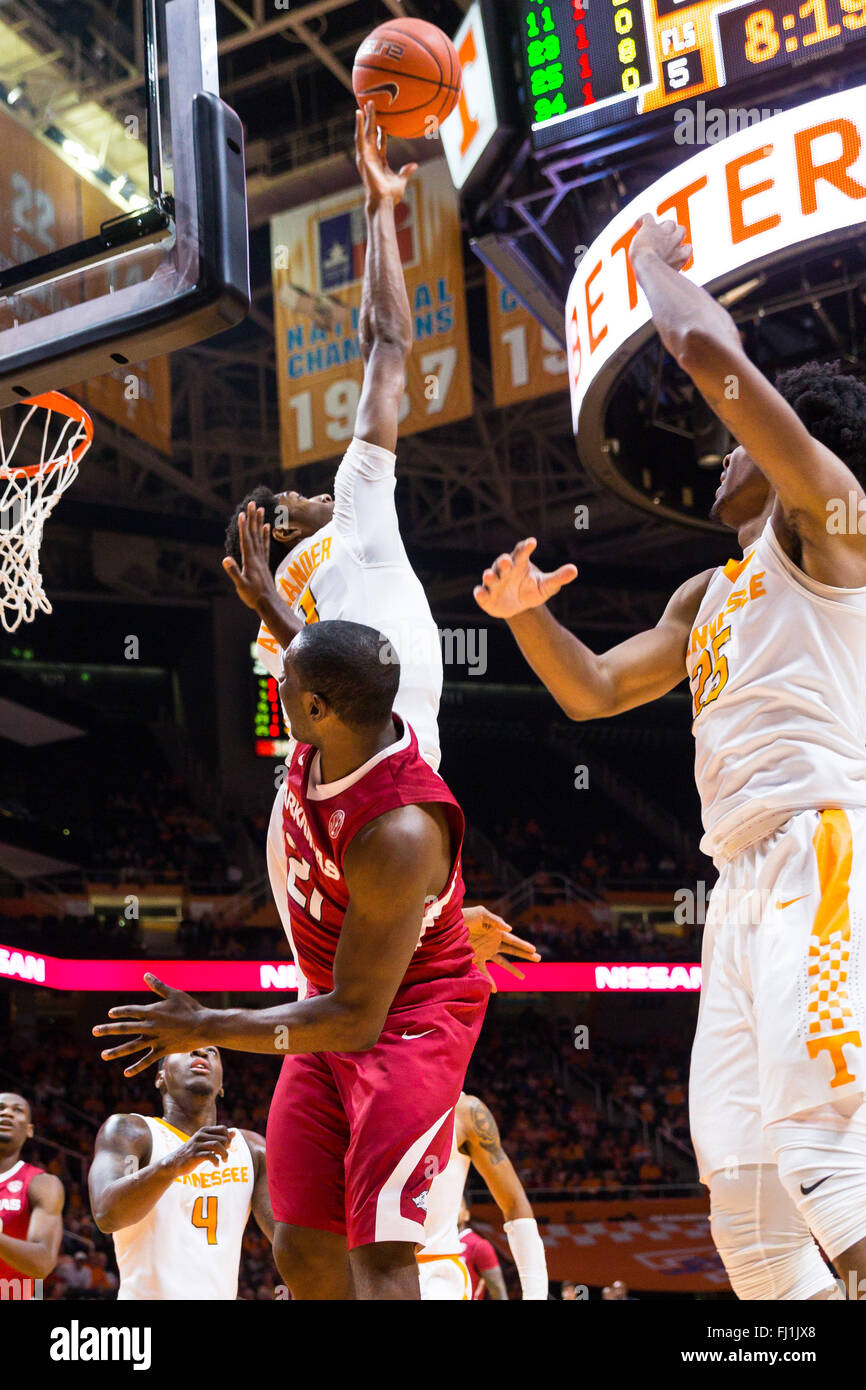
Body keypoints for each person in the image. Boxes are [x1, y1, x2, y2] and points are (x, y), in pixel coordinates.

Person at [474, 212, 866, 1301]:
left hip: (818, 852)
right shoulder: (702, 592)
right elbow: (592, 689)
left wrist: (649, 268)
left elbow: (707, 356)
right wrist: (520, 617)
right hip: (736, 886)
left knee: (833, 1166)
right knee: (743, 1209)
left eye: (743, 442)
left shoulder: (835, 526)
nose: (721, 448)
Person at [223, 101, 535, 998]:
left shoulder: (282, 602)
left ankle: (428, 932)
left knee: (339, 1003)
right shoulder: (349, 515)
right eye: (293, 495)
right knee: (345, 1016)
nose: (308, 486)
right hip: (361, 788)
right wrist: (379, 208)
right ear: (287, 526)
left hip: (348, 797)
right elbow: (386, 343)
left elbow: (298, 706)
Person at [94, 620, 493, 1301]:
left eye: (288, 681)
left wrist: (206, 1025)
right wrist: (269, 603)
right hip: (328, 1005)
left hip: (401, 1027)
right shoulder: (343, 725)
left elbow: (356, 1021)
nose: (276, 684)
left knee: (381, 1253)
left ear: (317, 708)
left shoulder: (398, 830)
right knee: (302, 1243)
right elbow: (337, 659)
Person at [88, 1046, 272, 1300]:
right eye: (185, 1047)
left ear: (221, 1085)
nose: (201, 1051)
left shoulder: (253, 1149)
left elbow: (289, 1239)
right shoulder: (131, 1131)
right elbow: (107, 1215)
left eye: (212, 1051)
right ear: (160, 1077)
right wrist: (174, 1164)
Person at [419, 1091, 547, 1300]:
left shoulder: (465, 1111)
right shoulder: (366, 1097)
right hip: (374, 1267)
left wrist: (536, 1296)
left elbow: (514, 1203)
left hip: (437, 1275)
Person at [0, 1091, 64, 1297]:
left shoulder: (42, 1184)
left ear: (29, 1130)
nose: (7, 1114)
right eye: (1, 1109)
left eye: (17, 1110)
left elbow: (42, 1263)